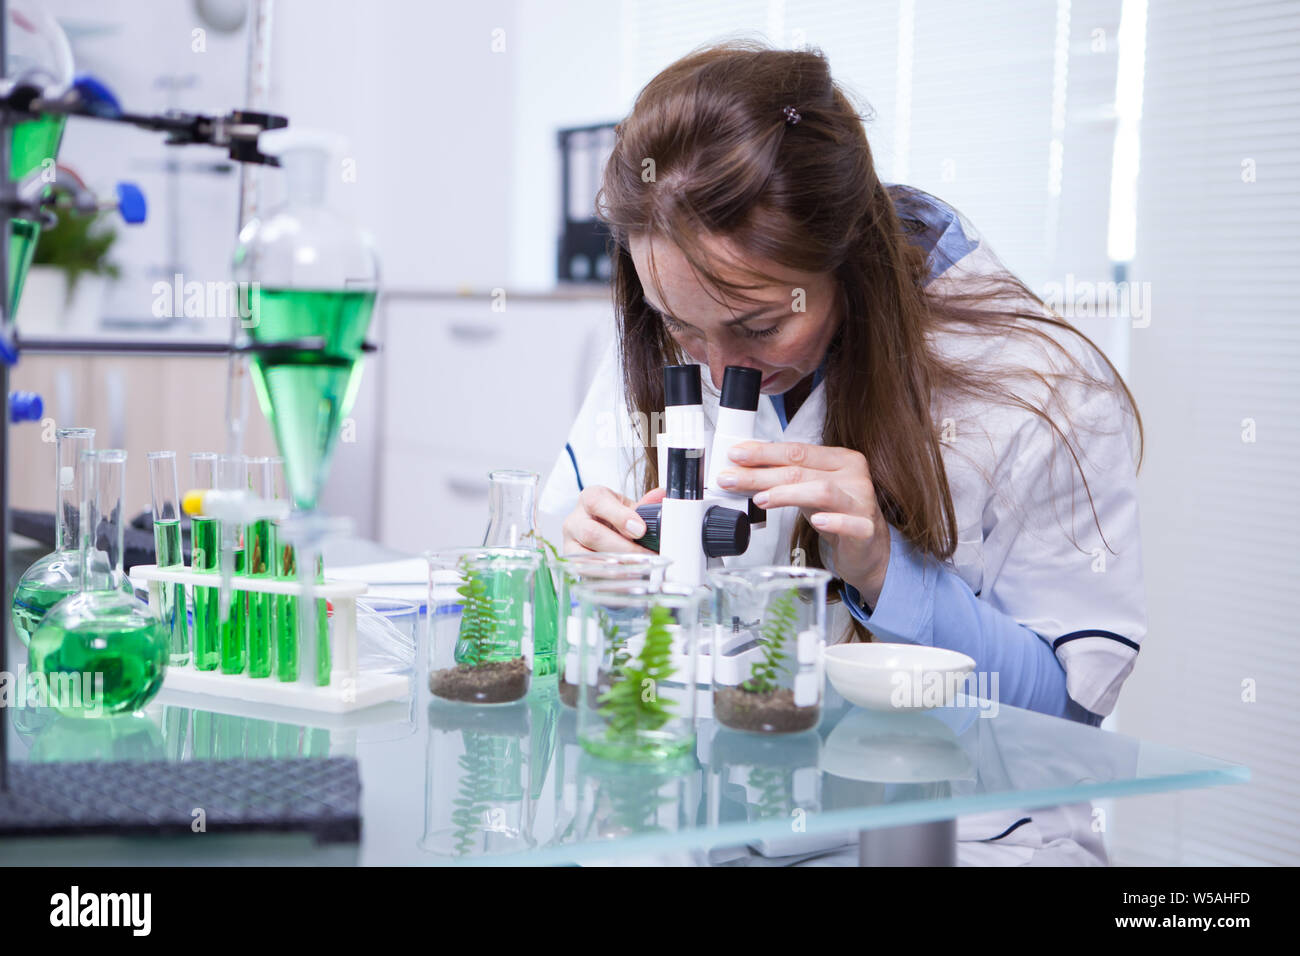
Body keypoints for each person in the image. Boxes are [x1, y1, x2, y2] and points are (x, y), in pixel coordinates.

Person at [540, 42, 1145, 866]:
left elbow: (1061, 729)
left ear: (848, 261)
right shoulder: (676, 335)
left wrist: (887, 572)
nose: (718, 372)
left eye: (759, 326)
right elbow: (552, 571)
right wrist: (587, 562)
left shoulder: (1038, 386)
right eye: (681, 325)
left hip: (963, 836)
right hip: (708, 825)